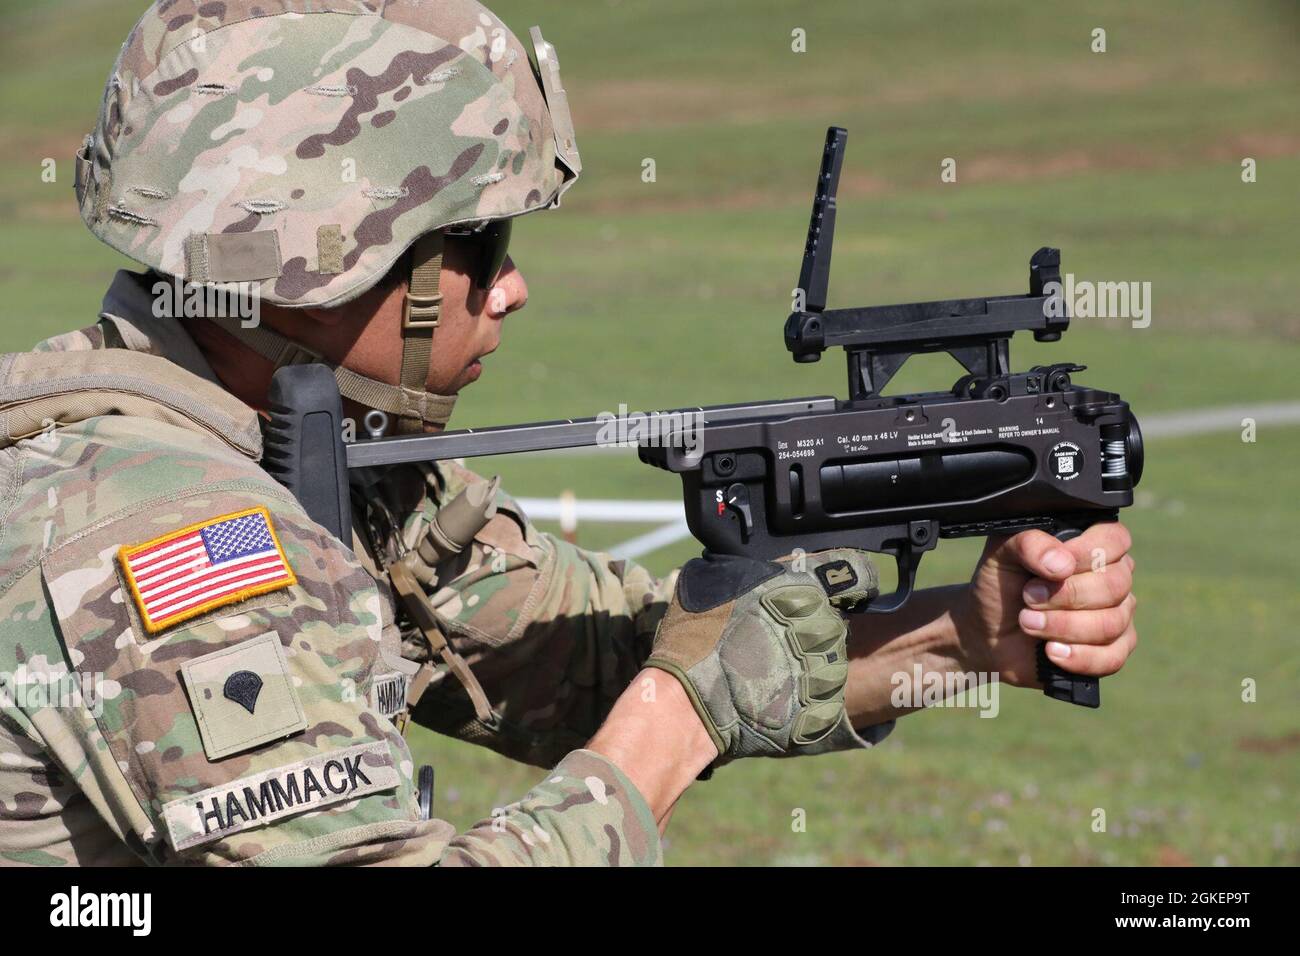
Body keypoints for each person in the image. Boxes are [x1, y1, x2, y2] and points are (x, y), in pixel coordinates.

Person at [0, 0, 1136, 866]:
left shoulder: (292, 435)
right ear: (316, 259)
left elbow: (586, 655)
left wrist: (957, 641)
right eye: (479, 247)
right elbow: (668, 693)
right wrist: (674, 722)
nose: (513, 287)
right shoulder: (172, 545)